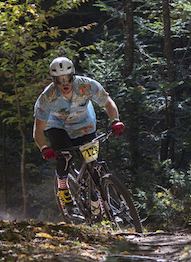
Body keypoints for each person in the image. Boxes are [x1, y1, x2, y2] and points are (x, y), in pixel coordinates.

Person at [33, 56, 124, 210]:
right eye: (59, 80)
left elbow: (108, 103)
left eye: (67, 78)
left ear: (73, 76)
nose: (64, 83)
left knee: (94, 163)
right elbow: (38, 129)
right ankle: (63, 187)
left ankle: (100, 202)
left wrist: (115, 120)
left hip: (84, 125)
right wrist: (44, 147)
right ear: (54, 81)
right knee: (65, 156)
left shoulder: (87, 85)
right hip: (57, 126)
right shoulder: (47, 97)